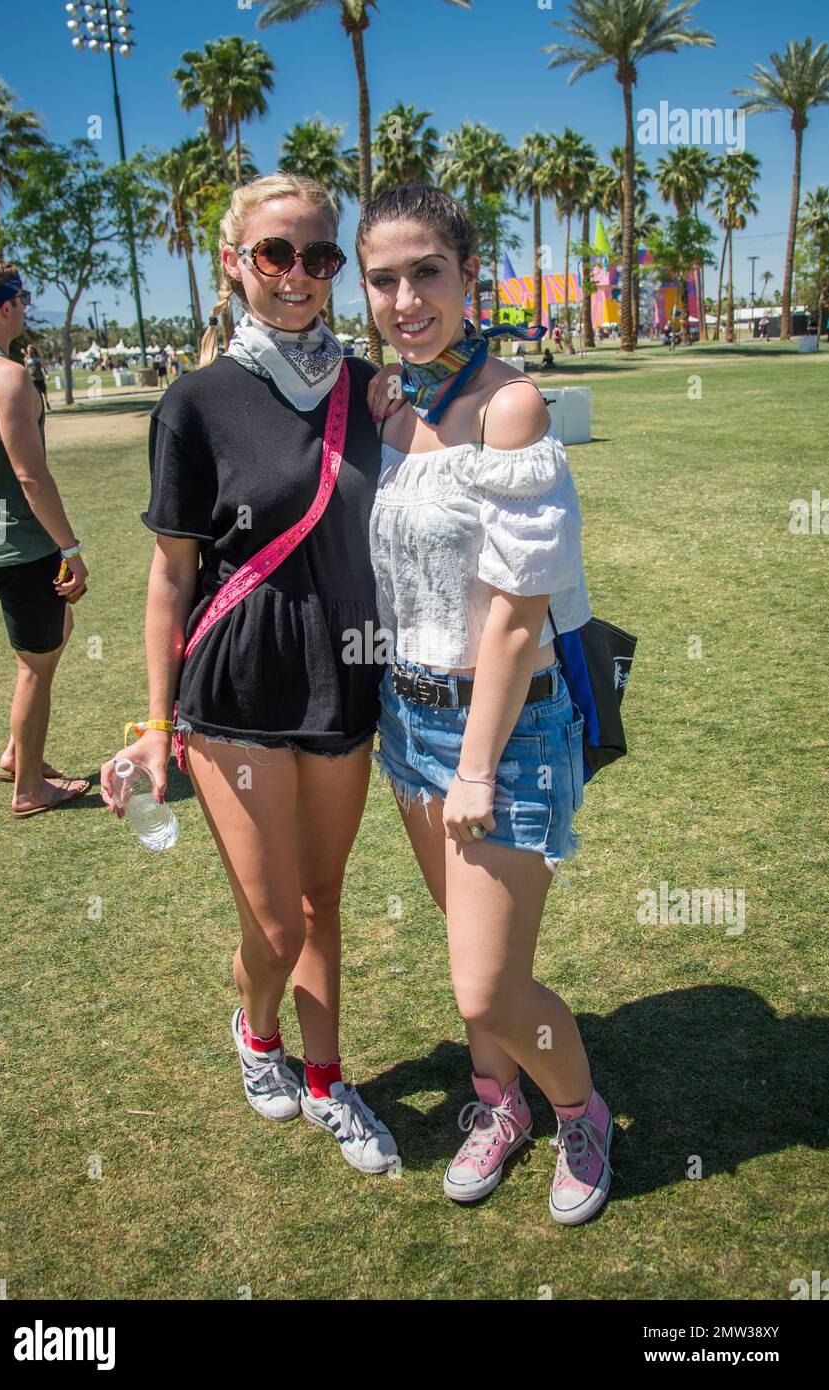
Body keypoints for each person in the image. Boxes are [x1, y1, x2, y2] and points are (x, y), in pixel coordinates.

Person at [99, 174, 398, 1176]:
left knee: (321, 899)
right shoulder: (195, 401)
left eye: (321, 257)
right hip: (232, 688)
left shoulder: (371, 389)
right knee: (271, 921)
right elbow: (168, 575)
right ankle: (253, 1027)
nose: (300, 276)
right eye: (277, 253)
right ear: (236, 262)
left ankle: (325, 1077)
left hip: (344, 681)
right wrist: (152, 720)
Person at [360, 186, 614, 1225]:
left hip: (499, 730)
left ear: (469, 274)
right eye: (384, 278)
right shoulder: (392, 401)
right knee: (466, 943)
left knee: (484, 989)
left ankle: (581, 1108)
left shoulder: (507, 404)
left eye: (427, 271)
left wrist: (473, 763)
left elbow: (516, 614)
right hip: (405, 719)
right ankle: (496, 1101)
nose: (406, 296)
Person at [0, 260, 89, 814]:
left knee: (57, 626)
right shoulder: (7, 376)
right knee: (35, 664)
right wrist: (72, 549)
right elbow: (30, 476)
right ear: (9, 306)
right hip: (20, 543)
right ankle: (29, 787)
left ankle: (21, 751)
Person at [24, 343, 51, 412]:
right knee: (34, 393)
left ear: (33, 350)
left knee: (44, 392)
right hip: (32, 378)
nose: (29, 352)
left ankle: (46, 402)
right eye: (28, 350)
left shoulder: (38, 358)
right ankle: (36, 406)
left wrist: (46, 374)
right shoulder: (26, 359)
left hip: (40, 377)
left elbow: (43, 367)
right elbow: (26, 368)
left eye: (30, 350)